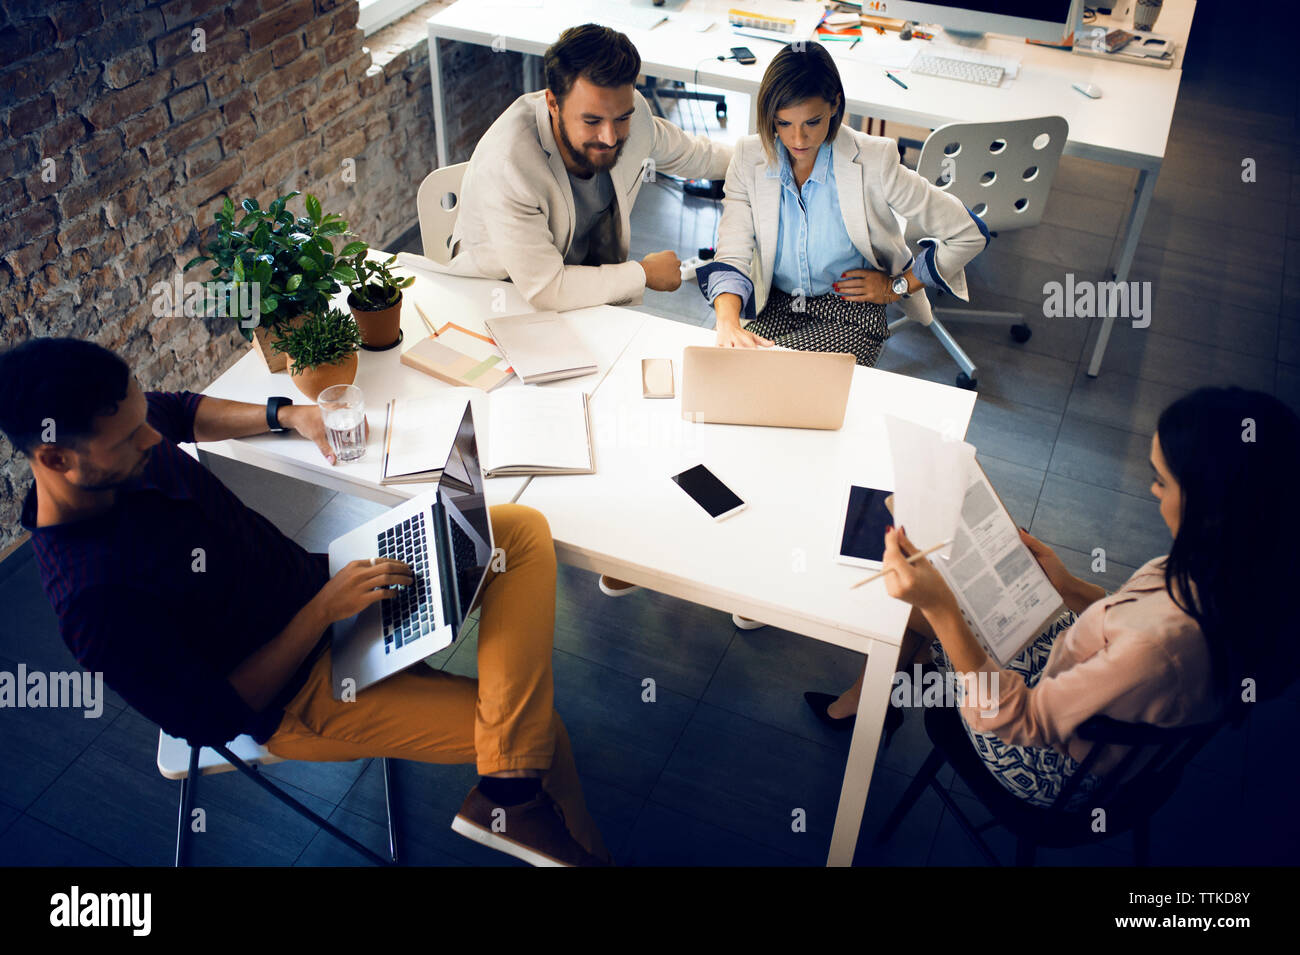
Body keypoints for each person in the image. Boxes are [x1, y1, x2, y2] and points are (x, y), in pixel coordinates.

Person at [0, 338, 610, 866]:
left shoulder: (120, 438)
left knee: (516, 531)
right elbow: (212, 720)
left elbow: (180, 412)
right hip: (301, 697)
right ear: (54, 458)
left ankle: (507, 778)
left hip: (332, 585)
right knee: (539, 734)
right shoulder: (92, 600)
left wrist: (290, 414)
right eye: (133, 436)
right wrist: (321, 611)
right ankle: (526, 807)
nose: (152, 438)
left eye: (143, 418)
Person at [812, 387, 1300, 809]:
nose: (1152, 491)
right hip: (1085, 681)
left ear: (1211, 508)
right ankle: (876, 697)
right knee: (938, 601)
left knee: (919, 609)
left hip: (1045, 760)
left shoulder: (1159, 650)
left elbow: (1021, 719)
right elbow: (1133, 618)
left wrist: (942, 611)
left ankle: (872, 702)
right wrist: (1069, 587)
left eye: (1162, 480)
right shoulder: (1239, 568)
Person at [700, 42, 989, 368]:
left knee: (777, 373)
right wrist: (727, 323)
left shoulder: (874, 161)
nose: (797, 139)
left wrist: (897, 286)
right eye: (783, 123)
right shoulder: (748, 156)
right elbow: (733, 252)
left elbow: (969, 232)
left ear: (835, 104)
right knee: (736, 370)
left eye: (812, 122)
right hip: (776, 304)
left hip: (849, 310)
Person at [441, 23, 732, 313]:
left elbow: (695, 154)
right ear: (553, 103)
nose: (610, 138)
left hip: (581, 293)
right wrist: (643, 273)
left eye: (622, 118)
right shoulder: (509, 164)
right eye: (592, 121)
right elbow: (547, 288)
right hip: (498, 297)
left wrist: (756, 155)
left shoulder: (632, 112)